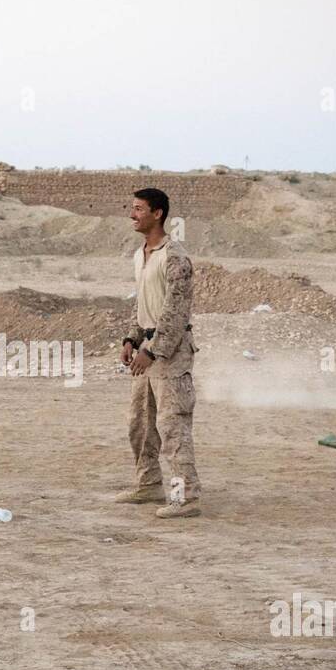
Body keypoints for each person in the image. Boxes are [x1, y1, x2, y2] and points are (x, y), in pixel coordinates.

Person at [116, 188, 201, 519]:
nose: (132, 215)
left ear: (158, 214)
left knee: (173, 429)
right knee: (140, 424)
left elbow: (175, 313)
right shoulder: (141, 255)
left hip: (170, 356)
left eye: (138, 209)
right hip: (146, 352)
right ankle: (148, 484)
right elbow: (144, 303)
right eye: (132, 208)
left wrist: (152, 350)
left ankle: (185, 498)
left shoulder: (175, 257)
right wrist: (131, 338)